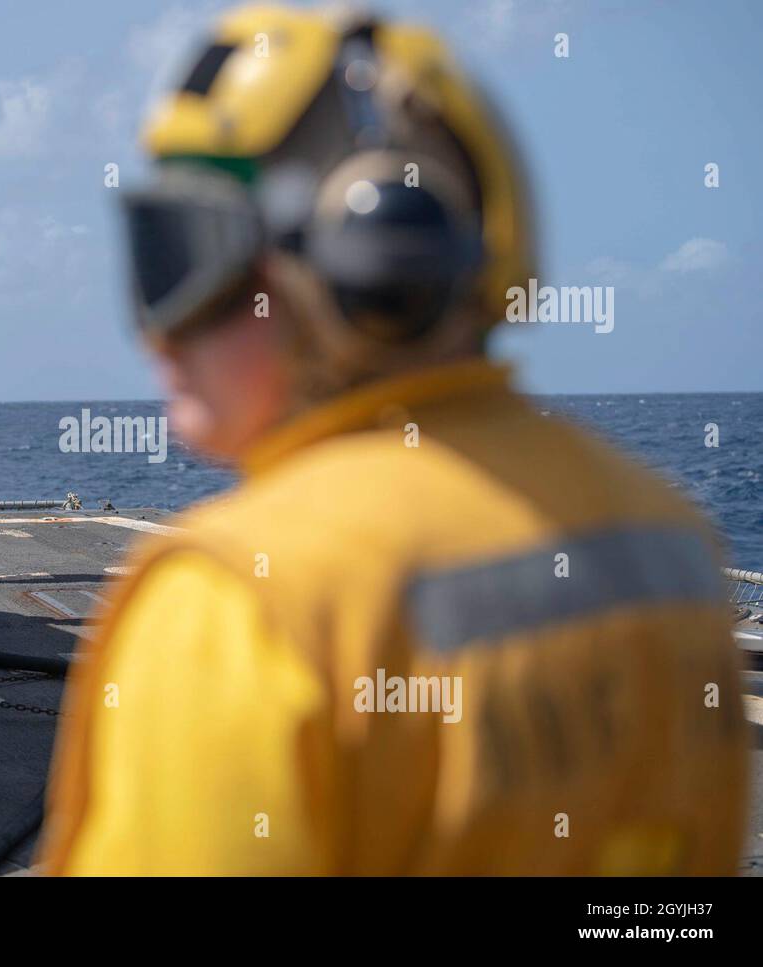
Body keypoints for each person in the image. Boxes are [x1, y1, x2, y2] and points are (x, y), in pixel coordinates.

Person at [38, 4, 748, 875]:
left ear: (359, 260)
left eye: (184, 260)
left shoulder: (242, 606)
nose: (158, 333)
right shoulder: (669, 538)